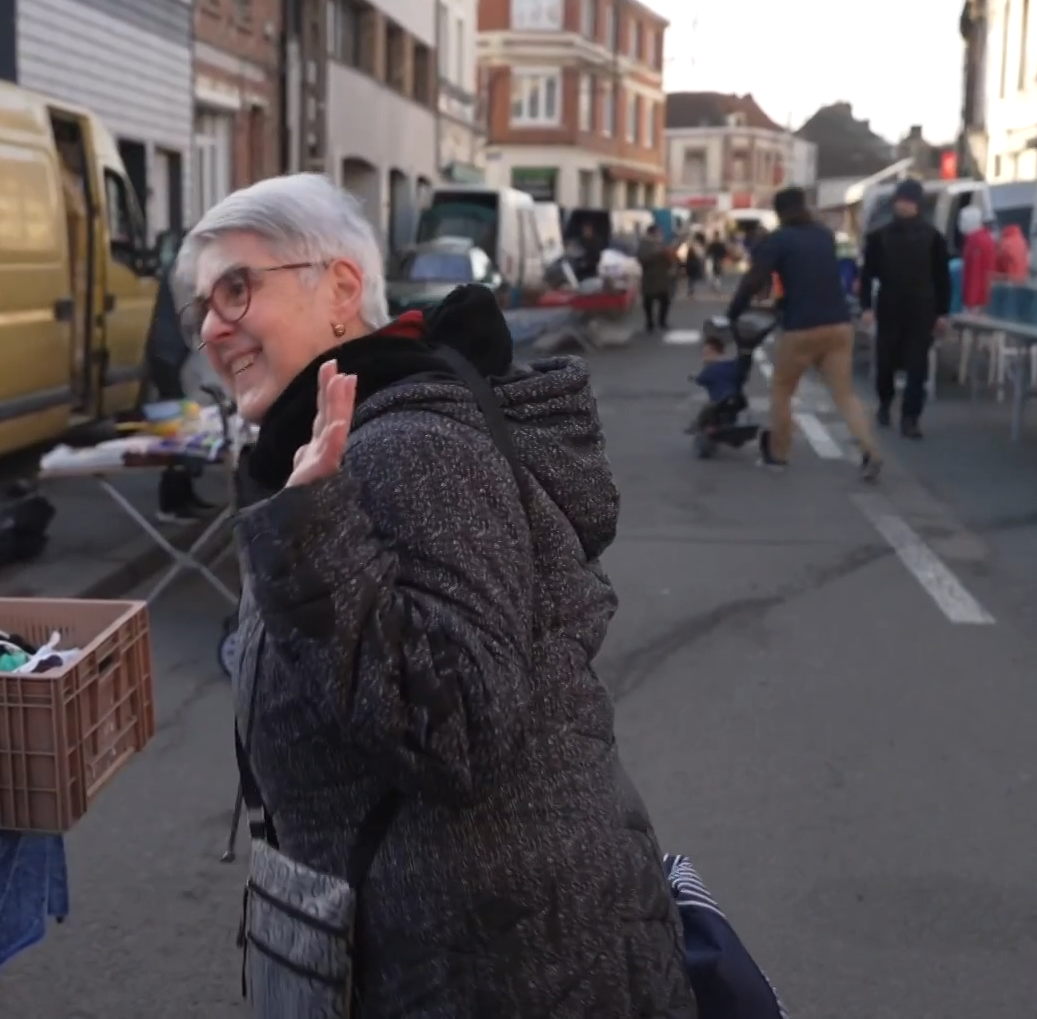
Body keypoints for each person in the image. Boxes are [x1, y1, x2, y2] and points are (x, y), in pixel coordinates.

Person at [178, 173, 695, 1017]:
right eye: (201, 306)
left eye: (238, 289)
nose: (210, 327)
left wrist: (308, 544)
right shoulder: (344, 444)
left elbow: (455, 732)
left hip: (507, 968)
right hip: (446, 947)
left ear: (341, 288)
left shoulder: (411, 445)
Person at [729, 186, 882, 480]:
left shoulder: (779, 240)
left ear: (779, 212)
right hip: (839, 324)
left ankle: (778, 454)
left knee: (782, 391)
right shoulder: (824, 235)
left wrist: (734, 312)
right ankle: (870, 450)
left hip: (801, 327)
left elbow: (754, 279)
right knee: (844, 394)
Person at [859, 179, 951, 440]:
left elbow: (942, 278)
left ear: (917, 204)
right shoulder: (879, 237)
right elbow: (867, 275)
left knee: (917, 365)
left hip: (922, 308)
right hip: (889, 305)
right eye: (900, 200)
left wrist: (942, 312)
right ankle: (885, 402)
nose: (903, 205)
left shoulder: (933, 238)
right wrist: (866, 306)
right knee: (885, 361)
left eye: (908, 201)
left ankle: (911, 417)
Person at [144, 228, 215, 523]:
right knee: (179, 431)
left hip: (171, 355)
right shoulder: (184, 273)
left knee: (188, 428)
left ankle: (186, 495)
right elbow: (190, 317)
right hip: (171, 359)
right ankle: (171, 504)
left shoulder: (186, 268)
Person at [638, 224, 678, 333]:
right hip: (650, 278)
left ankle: (662, 321)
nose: (660, 234)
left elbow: (670, 258)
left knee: (665, 301)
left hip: (662, 278)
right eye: (658, 232)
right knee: (648, 302)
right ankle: (650, 323)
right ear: (652, 233)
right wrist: (658, 253)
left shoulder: (660, 244)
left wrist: (670, 257)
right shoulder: (644, 244)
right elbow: (642, 259)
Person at [958, 206, 997, 312]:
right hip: (982, 298)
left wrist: (971, 302)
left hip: (977, 301)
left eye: (963, 220)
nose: (960, 224)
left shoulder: (976, 242)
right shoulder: (983, 238)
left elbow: (975, 274)